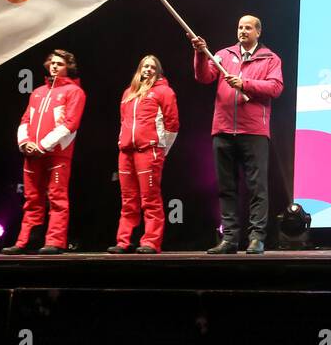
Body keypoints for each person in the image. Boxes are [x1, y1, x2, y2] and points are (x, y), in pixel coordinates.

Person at [191, 16, 284, 255]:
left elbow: (275, 87)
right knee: (226, 187)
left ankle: (256, 238)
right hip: (222, 129)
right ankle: (230, 238)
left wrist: (245, 84)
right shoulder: (223, 54)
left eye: (248, 27)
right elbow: (204, 77)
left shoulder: (270, 58)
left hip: (253, 130)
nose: (243, 31)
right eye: (240, 27)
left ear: (258, 32)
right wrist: (201, 54)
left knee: (257, 188)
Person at [4, 49, 86, 255]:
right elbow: (25, 120)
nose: (54, 66)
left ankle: (55, 242)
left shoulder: (74, 92)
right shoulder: (38, 92)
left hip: (57, 153)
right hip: (32, 154)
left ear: (69, 67)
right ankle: (24, 242)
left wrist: (43, 145)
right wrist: (25, 143)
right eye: (52, 63)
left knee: (57, 198)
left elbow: (70, 124)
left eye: (59, 63)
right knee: (32, 199)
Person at [109, 55, 180, 255]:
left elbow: (172, 124)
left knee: (150, 199)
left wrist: (161, 149)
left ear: (158, 71)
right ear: (139, 70)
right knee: (128, 199)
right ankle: (124, 241)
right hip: (126, 152)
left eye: (152, 67)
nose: (148, 69)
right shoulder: (128, 93)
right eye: (144, 66)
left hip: (149, 151)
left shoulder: (164, 92)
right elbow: (123, 121)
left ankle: (151, 242)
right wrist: (122, 141)